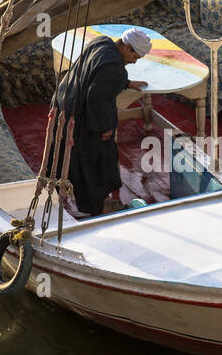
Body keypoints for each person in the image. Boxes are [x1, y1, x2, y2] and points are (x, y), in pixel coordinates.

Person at [51, 26, 150, 216]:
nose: (134, 62)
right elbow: (95, 97)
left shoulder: (102, 42)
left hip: (62, 105)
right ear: (128, 47)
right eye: (135, 57)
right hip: (79, 117)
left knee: (67, 157)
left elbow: (95, 70)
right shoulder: (114, 67)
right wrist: (105, 127)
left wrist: (125, 82)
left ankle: (75, 197)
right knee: (96, 162)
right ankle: (97, 208)